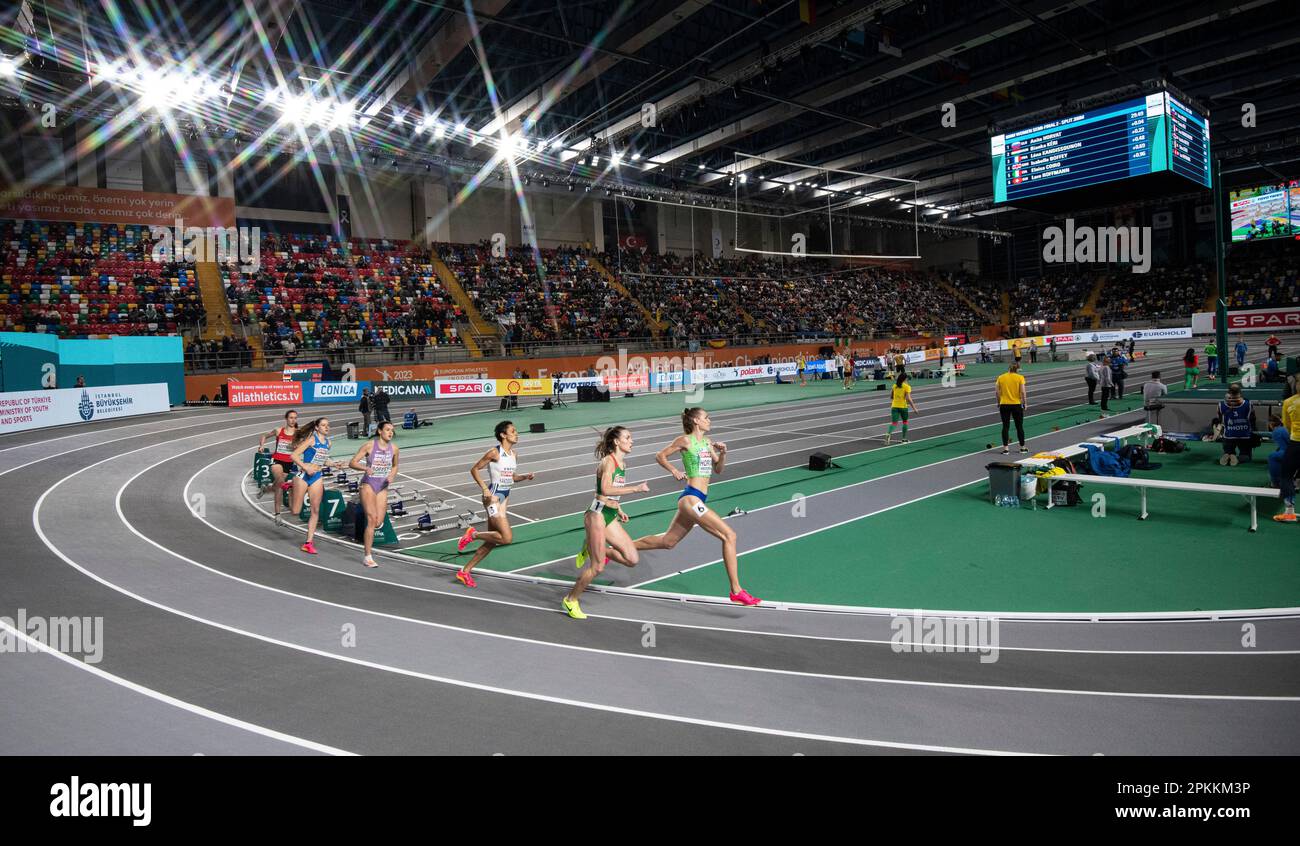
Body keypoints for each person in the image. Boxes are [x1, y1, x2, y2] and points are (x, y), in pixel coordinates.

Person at [633, 408, 762, 606]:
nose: (709, 420)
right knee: (730, 536)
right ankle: (736, 590)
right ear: (696, 421)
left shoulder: (708, 443)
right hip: (691, 498)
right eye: (706, 417)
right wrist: (674, 470)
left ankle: (616, 548)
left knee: (668, 542)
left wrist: (723, 453)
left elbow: (718, 470)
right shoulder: (685, 440)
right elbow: (660, 455)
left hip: (698, 499)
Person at [562, 426, 650, 619]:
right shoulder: (608, 462)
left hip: (609, 514)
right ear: (617, 442)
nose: (632, 441)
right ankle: (570, 600)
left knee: (632, 559)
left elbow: (604, 492)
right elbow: (606, 489)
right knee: (597, 567)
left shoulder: (623, 464)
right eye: (628, 437)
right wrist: (636, 489)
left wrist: (618, 508)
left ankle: (593, 548)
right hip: (597, 516)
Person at [455, 421, 537, 587]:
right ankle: (473, 534)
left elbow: (511, 477)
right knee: (506, 538)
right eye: (513, 431)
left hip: (505, 497)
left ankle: (465, 572)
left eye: (516, 431)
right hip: (493, 497)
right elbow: (474, 469)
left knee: (492, 541)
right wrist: (485, 488)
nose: (517, 433)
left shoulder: (514, 454)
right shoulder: (494, 453)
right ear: (503, 435)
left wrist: (524, 477)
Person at [348, 420, 400, 568]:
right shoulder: (370, 446)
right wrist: (365, 468)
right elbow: (352, 462)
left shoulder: (394, 449)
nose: (390, 432)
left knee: (378, 522)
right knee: (371, 520)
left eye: (392, 430)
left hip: (383, 486)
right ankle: (368, 556)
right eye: (388, 430)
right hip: (368, 484)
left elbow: (396, 465)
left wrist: (391, 476)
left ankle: (361, 511)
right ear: (379, 431)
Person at [288, 418, 343, 554]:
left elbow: (324, 460)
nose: (327, 427)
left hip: (317, 476)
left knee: (315, 510)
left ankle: (308, 543)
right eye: (323, 425)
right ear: (317, 428)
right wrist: (305, 467)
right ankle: (290, 489)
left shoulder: (328, 443)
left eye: (328, 425)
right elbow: (294, 455)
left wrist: (334, 464)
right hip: (304, 476)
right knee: (295, 511)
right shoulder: (311, 440)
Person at [258, 409, 299, 517]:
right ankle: (277, 514)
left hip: (289, 463)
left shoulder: (298, 433)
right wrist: (261, 446)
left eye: (295, 418)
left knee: (277, 485)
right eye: (291, 417)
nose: (293, 420)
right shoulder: (278, 430)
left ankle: (266, 489)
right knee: (281, 482)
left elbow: (301, 448)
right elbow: (264, 436)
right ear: (286, 419)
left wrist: (296, 447)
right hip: (276, 460)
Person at [1276, 389, 1300, 523]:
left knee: (1286, 476)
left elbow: (1287, 425)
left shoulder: (1288, 402)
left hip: (1296, 443)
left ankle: (1289, 512)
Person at [1217, 384, 1255, 466]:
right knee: (1246, 456)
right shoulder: (1247, 404)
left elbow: (1220, 420)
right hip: (1244, 435)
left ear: (1228, 391)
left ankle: (1229, 454)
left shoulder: (1221, 405)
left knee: (1228, 450)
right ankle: (1237, 458)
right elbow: (1252, 419)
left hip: (1229, 435)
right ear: (1240, 392)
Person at [995, 363, 1028, 454]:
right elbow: (1022, 392)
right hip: (1016, 405)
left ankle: (1006, 449)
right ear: (1017, 370)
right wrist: (1025, 403)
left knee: (1005, 427)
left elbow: (997, 392)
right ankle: (1022, 447)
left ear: (1008, 369)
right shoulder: (1020, 377)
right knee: (1019, 427)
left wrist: (998, 402)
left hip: (1004, 405)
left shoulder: (1001, 377)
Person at [884, 372, 918, 445]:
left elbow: (891, 397)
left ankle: (888, 434)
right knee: (905, 422)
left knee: (894, 423)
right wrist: (914, 408)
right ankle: (904, 439)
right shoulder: (907, 387)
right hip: (903, 407)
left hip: (894, 406)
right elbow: (908, 399)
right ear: (905, 379)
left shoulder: (894, 385)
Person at [1267, 415, 1290, 488]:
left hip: (1290, 452)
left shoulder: (1276, 432)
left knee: (1272, 457)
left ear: (1271, 424)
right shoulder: (1283, 429)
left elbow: (1288, 445)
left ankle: (1276, 482)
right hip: (1289, 450)